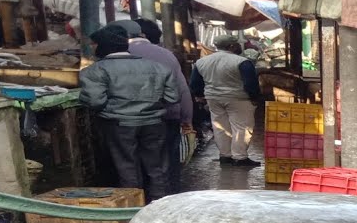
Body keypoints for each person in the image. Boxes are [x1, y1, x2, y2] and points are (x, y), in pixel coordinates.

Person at [79, 24, 179, 201]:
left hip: (118, 125)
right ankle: (159, 204)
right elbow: (172, 98)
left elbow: (95, 102)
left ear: (102, 45)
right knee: (157, 168)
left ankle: (133, 208)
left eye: (94, 44)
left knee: (127, 167)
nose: (93, 48)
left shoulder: (95, 71)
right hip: (154, 124)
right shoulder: (158, 67)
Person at [114, 18, 192, 192]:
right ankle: (166, 199)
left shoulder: (117, 54)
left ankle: (136, 203)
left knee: (130, 164)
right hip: (166, 117)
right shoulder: (166, 55)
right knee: (166, 164)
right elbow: (182, 89)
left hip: (125, 119)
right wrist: (187, 118)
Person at [190, 34, 263, 166]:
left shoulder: (201, 62)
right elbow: (250, 84)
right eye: (236, 44)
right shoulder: (241, 62)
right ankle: (240, 157)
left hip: (213, 98)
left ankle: (225, 156)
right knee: (241, 127)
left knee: (220, 126)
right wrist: (254, 97)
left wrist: (201, 96)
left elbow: (195, 84)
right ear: (231, 46)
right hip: (239, 99)